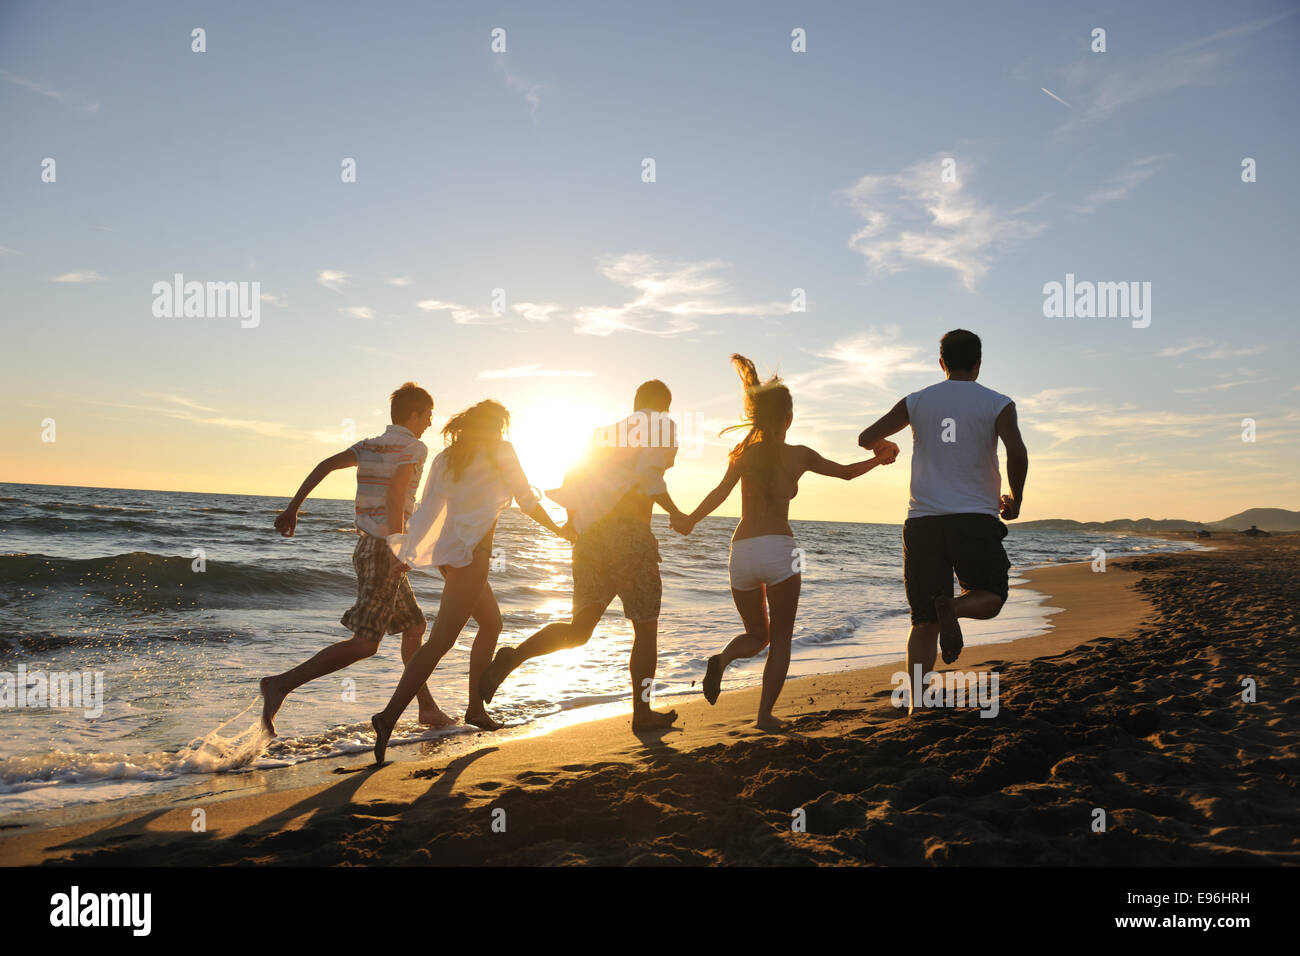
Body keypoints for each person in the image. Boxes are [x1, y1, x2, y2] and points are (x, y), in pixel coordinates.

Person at [675, 355, 898, 731]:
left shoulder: (744, 454)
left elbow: (718, 493)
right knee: (778, 640)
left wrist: (690, 520)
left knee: (754, 635)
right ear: (789, 417)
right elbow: (845, 474)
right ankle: (763, 717)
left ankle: (724, 658)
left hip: (741, 550)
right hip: (780, 550)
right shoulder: (799, 455)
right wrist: (881, 458)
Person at [477, 380, 688, 733]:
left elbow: (575, 477)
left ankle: (514, 657)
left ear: (634, 401)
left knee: (578, 629)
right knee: (646, 629)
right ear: (664, 406)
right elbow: (650, 477)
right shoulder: (661, 424)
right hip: (631, 538)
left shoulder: (602, 434)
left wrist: (572, 522)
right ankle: (643, 712)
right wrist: (676, 513)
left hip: (591, 538)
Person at [371, 400, 572, 761]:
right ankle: (387, 717)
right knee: (440, 642)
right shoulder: (500, 452)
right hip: (472, 556)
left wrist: (411, 550)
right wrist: (559, 530)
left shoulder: (448, 458)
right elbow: (526, 500)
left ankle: (476, 709)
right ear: (496, 427)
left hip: (451, 555)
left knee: (492, 623)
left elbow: (430, 508)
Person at [856, 329, 1028, 714]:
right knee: (992, 596)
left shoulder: (917, 401)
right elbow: (1017, 453)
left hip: (923, 523)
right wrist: (1015, 499)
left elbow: (867, 436)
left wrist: (885, 448)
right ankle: (955, 608)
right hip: (975, 520)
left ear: (941, 363)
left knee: (923, 619)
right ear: (979, 365)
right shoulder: (999, 403)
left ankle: (918, 704)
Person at [261, 382, 446, 735]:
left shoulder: (368, 445)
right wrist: (399, 546)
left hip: (368, 547)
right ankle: (280, 685)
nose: (430, 424)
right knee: (365, 644)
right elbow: (395, 495)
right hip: (383, 548)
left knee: (414, 628)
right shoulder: (414, 448)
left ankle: (428, 708)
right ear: (416, 413)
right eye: (429, 416)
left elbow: (325, 465)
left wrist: (292, 508)